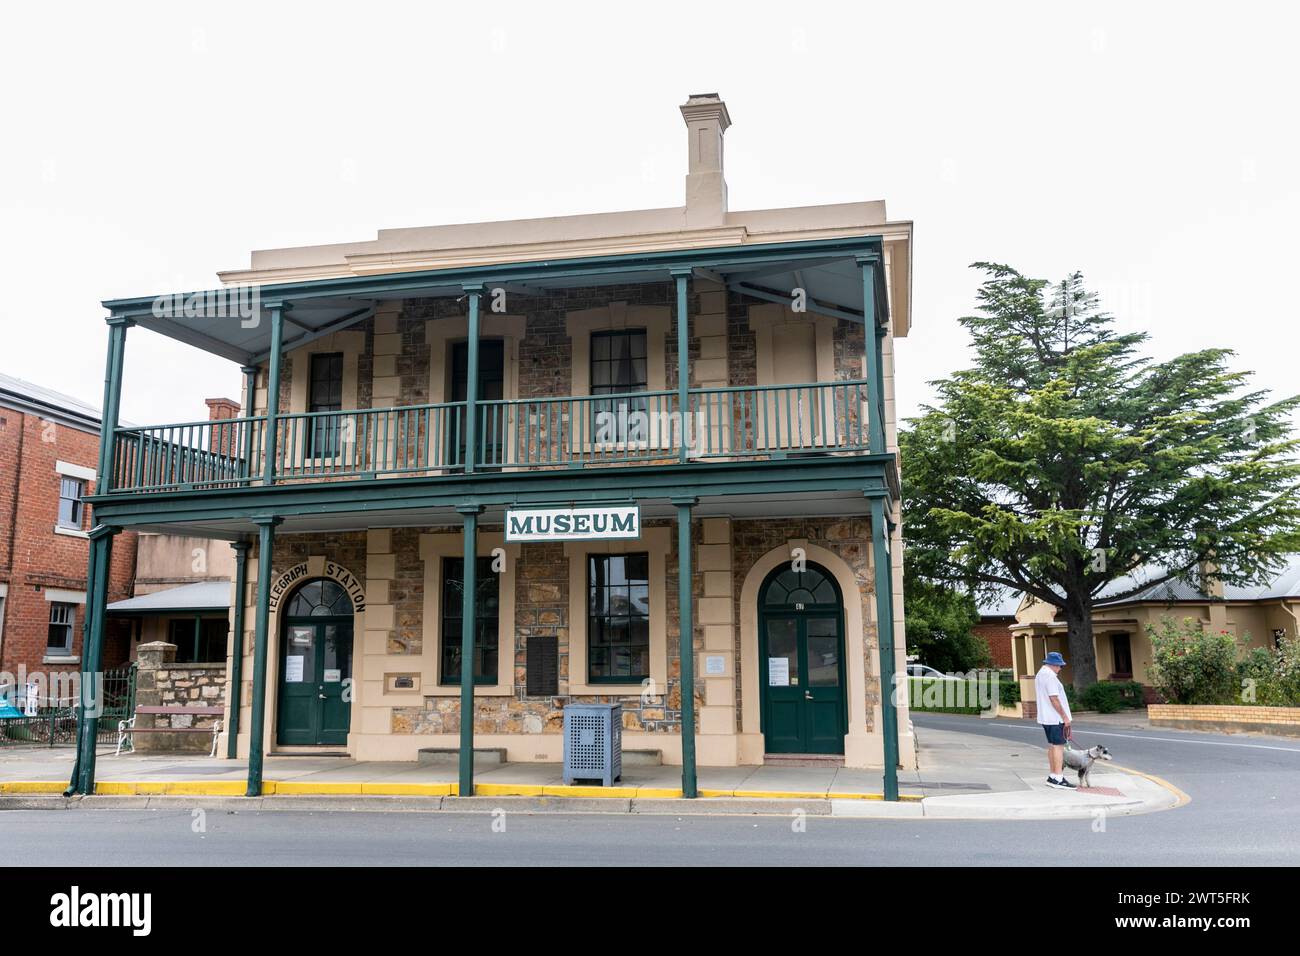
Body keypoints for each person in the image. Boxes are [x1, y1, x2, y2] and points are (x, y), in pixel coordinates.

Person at [1035, 651, 1075, 790]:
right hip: (1055, 718)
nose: (1060, 669)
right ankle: (1058, 778)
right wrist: (1065, 717)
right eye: (1059, 666)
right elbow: (1054, 698)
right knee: (1058, 747)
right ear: (1052, 664)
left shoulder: (1040, 674)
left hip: (1046, 717)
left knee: (1052, 745)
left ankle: (1053, 775)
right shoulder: (1050, 677)